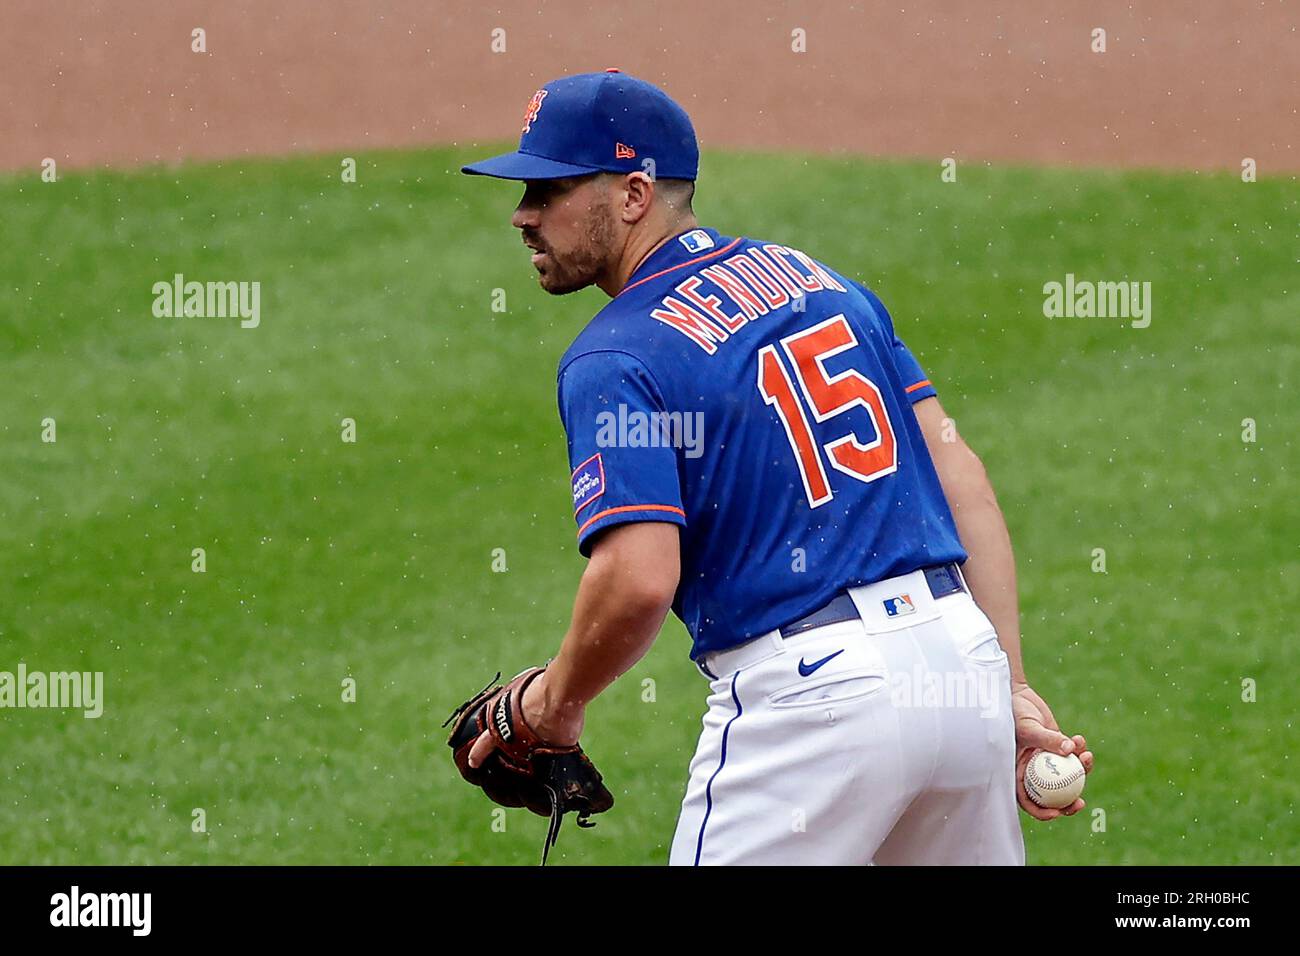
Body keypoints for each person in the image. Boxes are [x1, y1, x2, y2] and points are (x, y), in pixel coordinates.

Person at [460, 70, 1093, 865]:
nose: (522, 216)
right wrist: (1008, 685)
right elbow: (962, 478)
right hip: (960, 664)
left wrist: (554, 702)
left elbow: (639, 579)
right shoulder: (824, 284)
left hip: (813, 706)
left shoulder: (615, 354)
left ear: (631, 194)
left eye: (548, 190)